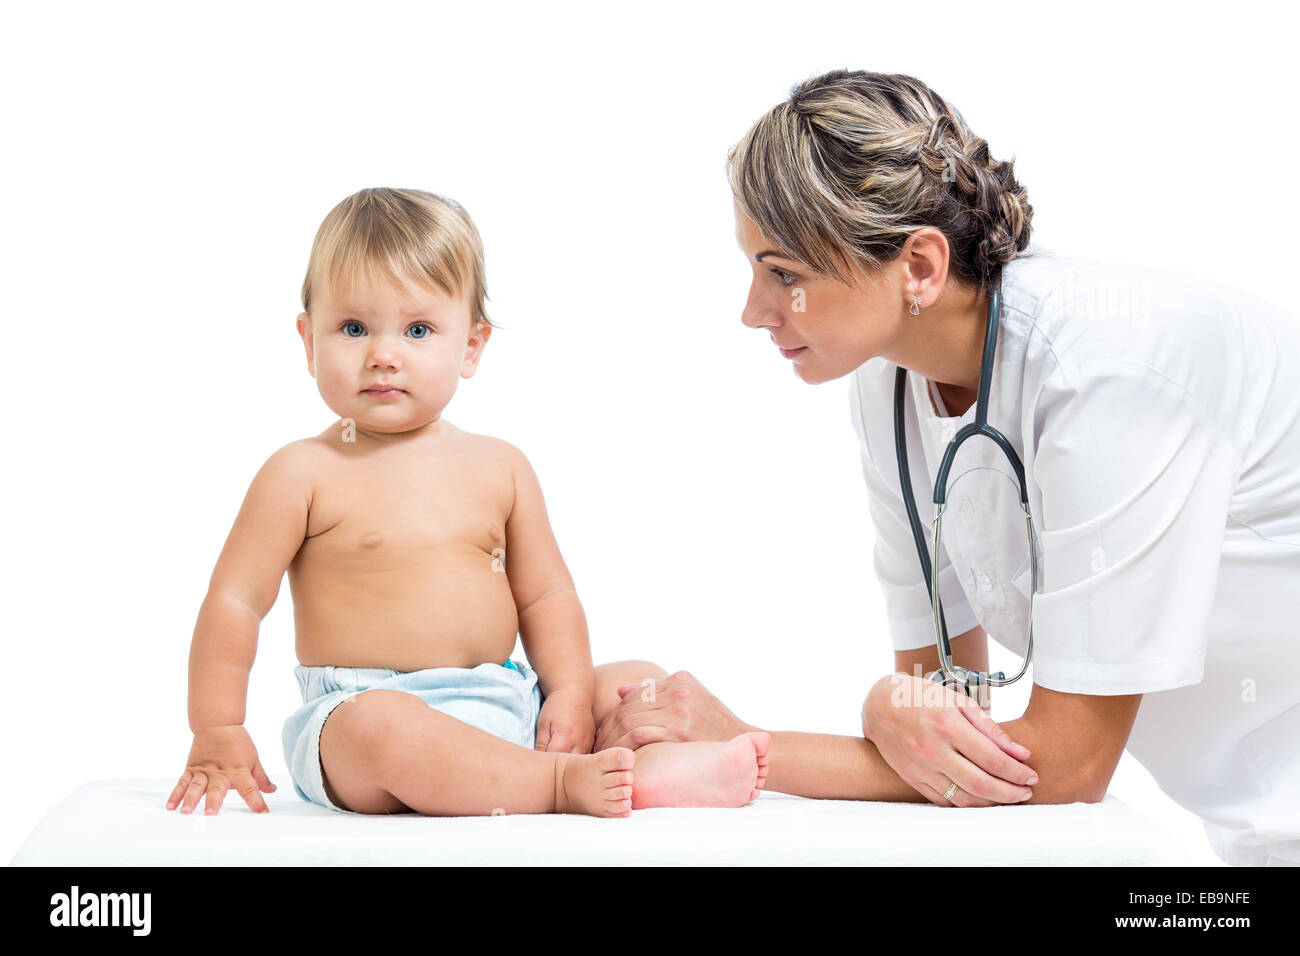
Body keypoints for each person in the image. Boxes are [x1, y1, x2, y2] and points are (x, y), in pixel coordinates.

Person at [595, 70, 1300, 866]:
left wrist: (738, 742)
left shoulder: (1111, 372)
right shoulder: (888, 381)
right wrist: (893, 705)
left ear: (921, 267)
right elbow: (949, 728)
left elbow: (1066, 764)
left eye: (784, 274)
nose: (754, 310)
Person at [165, 186, 770, 819]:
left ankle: (655, 773)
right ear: (308, 341)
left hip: (503, 700)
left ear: (472, 346)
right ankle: (559, 785)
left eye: (419, 329)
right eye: (352, 328)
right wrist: (217, 729)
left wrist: (564, 692)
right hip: (358, 715)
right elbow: (234, 602)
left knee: (635, 678)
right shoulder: (301, 473)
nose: (383, 355)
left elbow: (547, 597)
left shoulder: (500, 467)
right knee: (384, 729)